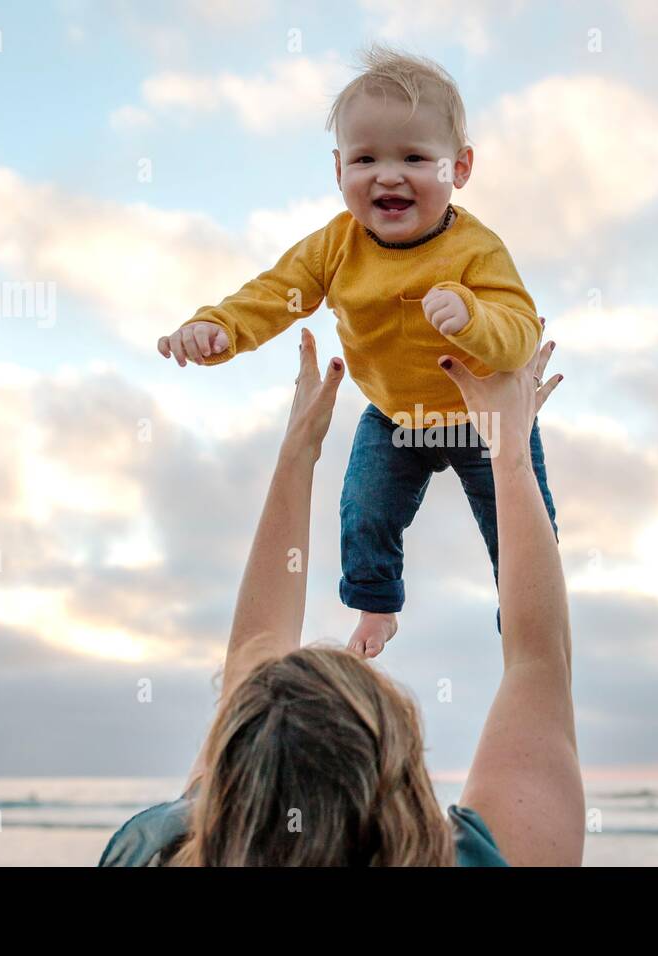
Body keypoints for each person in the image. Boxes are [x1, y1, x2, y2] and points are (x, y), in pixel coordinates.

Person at [100, 325, 581, 865]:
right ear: (405, 787)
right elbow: (540, 658)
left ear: (229, 786)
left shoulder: (164, 853)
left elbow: (538, 663)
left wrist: (296, 454)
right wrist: (511, 449)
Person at [156, 43, 558, 657]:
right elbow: (274, 294)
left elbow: (521, 329)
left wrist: (475, 321)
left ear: (461, 167)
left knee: (521, 528)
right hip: (395, 415)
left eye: (415, 157)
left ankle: (527, 625)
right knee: (365, 508)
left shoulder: (476, 250)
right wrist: (219, 328)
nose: (388, 174)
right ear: (338, 168)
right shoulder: (335, 246)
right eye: (365, 157)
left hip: (483, 417)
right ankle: (376, 606)